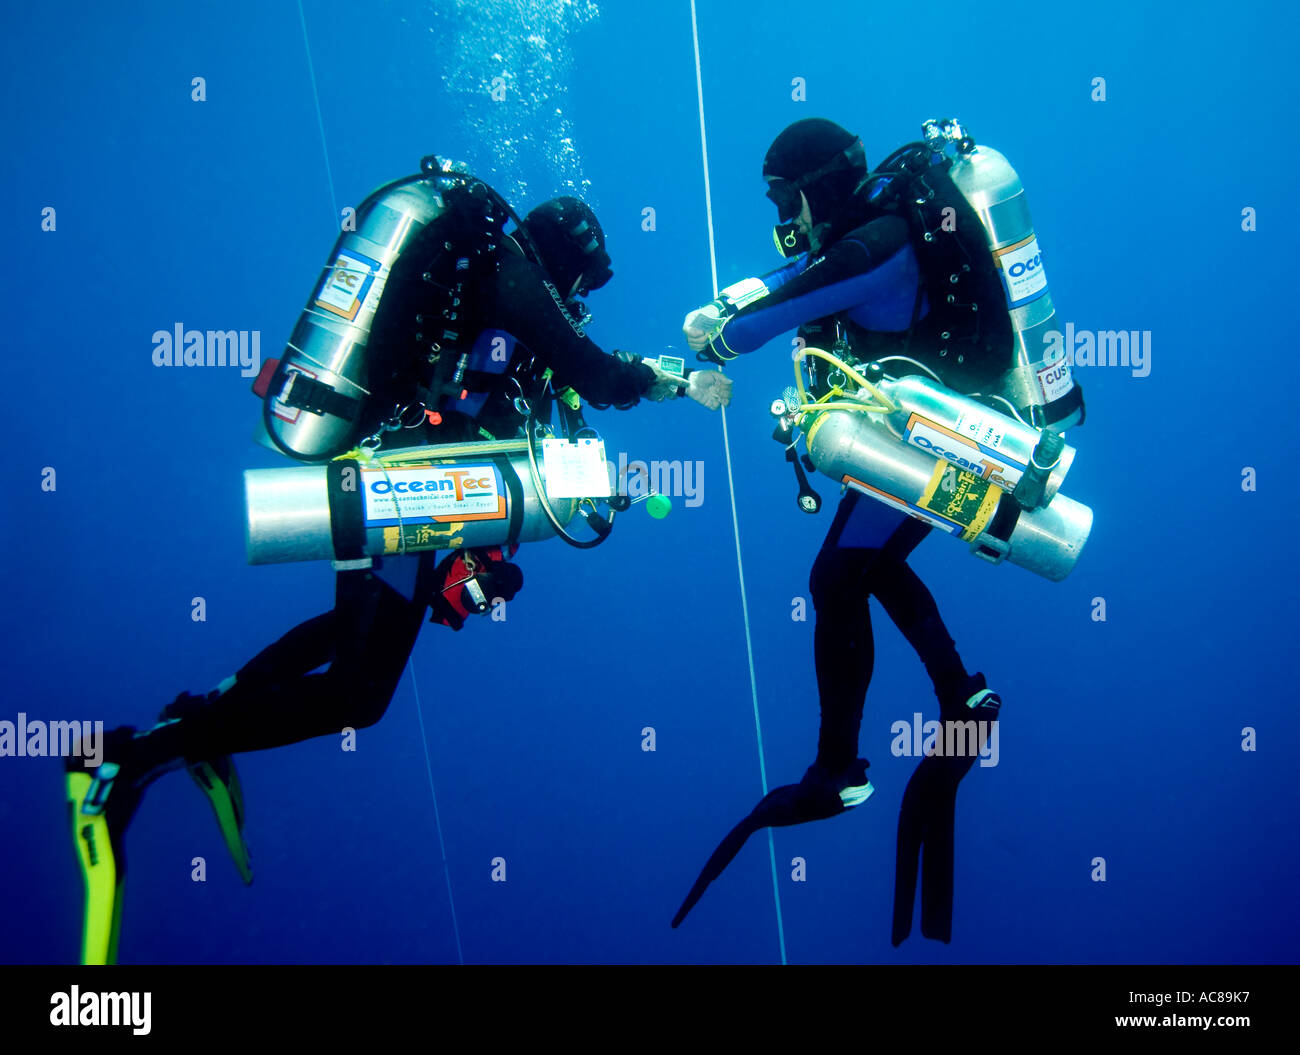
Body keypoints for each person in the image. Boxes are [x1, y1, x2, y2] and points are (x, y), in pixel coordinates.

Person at [65, 171, 733, 966]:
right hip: (391, 477)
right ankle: (126, 759)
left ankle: (202, 719)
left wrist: (479, 548)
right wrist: (653, 380)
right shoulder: (511, 275)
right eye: (581, 287)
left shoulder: (488, 289)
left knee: (354, 634)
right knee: (359, 694)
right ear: (562, 264)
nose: (578, 305)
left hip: (387, 471)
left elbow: (523, 397)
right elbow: (586, 366)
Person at [671, 118, 1068, 944]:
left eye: (786, 197)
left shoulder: (871, 248)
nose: (783, 212)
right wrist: (739, 290)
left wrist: (713, 328)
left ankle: (837, 771)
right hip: (945, 418)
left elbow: (763, 322)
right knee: (863, 565)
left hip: (958, 435)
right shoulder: (882, 223)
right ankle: (962, 700)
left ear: (816, 189)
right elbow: (803, 272)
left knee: (837, 576)